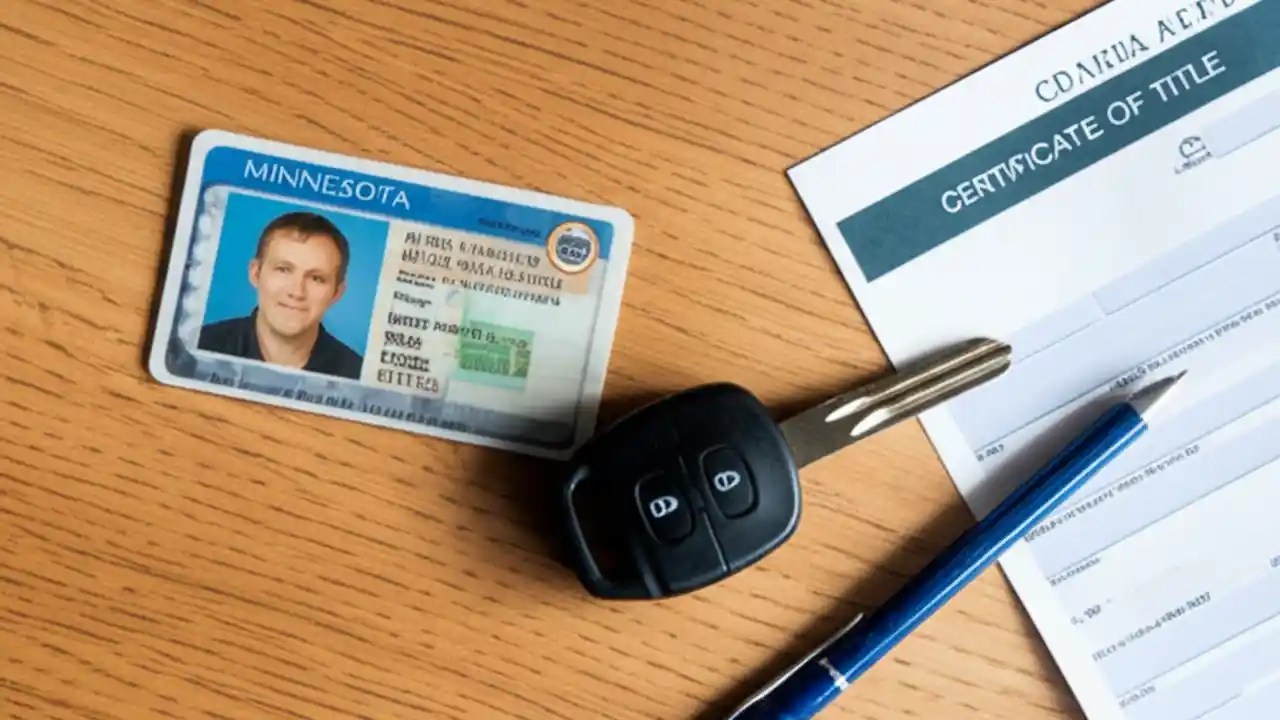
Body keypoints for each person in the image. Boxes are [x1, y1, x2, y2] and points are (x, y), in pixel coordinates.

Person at [199, 211, 363, 379]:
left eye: (316, 278)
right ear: (256, 274)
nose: (297, 292)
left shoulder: (357, 376)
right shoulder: (198, 347)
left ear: (336, 293)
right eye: (283, 269)